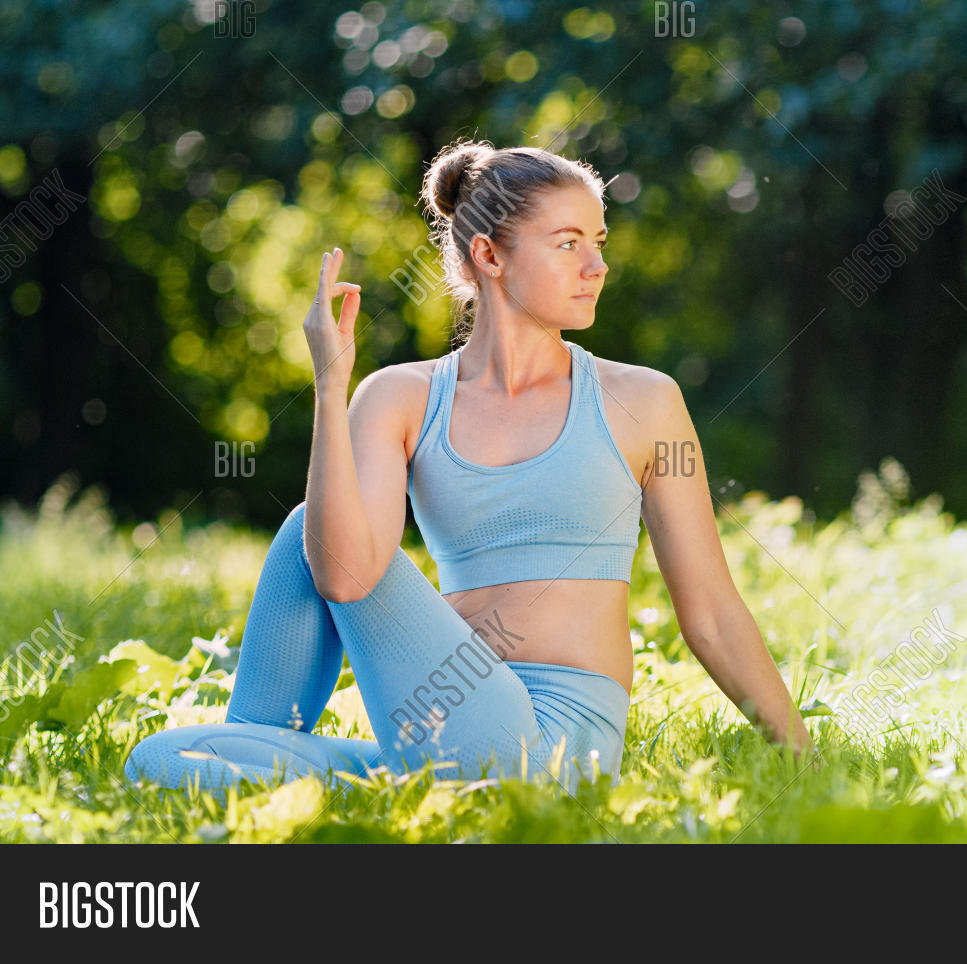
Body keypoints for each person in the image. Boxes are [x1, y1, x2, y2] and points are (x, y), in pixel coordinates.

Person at [123, 139, 817, 797]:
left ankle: (298, 781)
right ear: (489, 255)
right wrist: (331, 389)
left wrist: (803, 758)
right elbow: (340, 572)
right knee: (158, 756)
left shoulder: (644, 401)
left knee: (320, 537)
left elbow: (713, 615)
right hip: (442, 726)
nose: (596, 266)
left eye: (599, 242)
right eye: (568, 243)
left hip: (552, 751)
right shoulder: (399, 397)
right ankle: (284, 769)